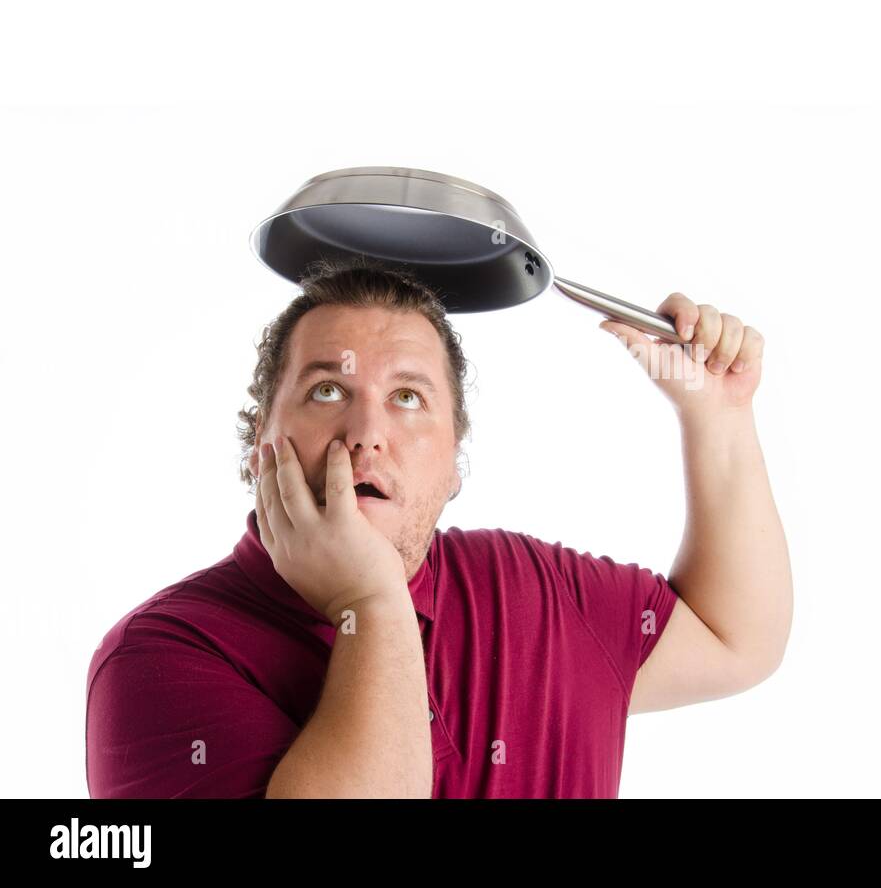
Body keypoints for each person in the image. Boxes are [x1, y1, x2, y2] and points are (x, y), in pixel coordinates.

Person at [85, 257, 791, 797]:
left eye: (408, 397)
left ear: (455, 459)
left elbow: (733, 638)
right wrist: (373, 603)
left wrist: (720, 418)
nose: (366, 433)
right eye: (327, 390)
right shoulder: (160, 660)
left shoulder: (534, 592)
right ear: (259, 442)